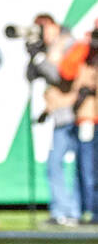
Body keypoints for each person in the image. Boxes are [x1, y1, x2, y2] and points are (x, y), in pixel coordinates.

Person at [34, 14, 82, 227]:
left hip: (73, 112)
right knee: (58, 164)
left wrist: (40, 59)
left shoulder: (70, 45)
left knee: (66, 164)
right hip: (61, 113)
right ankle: (64, 210)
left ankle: (69, 211)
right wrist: (34, 56)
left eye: (43, 28)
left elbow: (62, 75)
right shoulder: (53, 47)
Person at [59, 21, 98, 223]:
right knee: (87, 168)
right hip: (88, 117)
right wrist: (86, 46)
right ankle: (89, 209)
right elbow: (66, 71)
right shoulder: (84, 51)